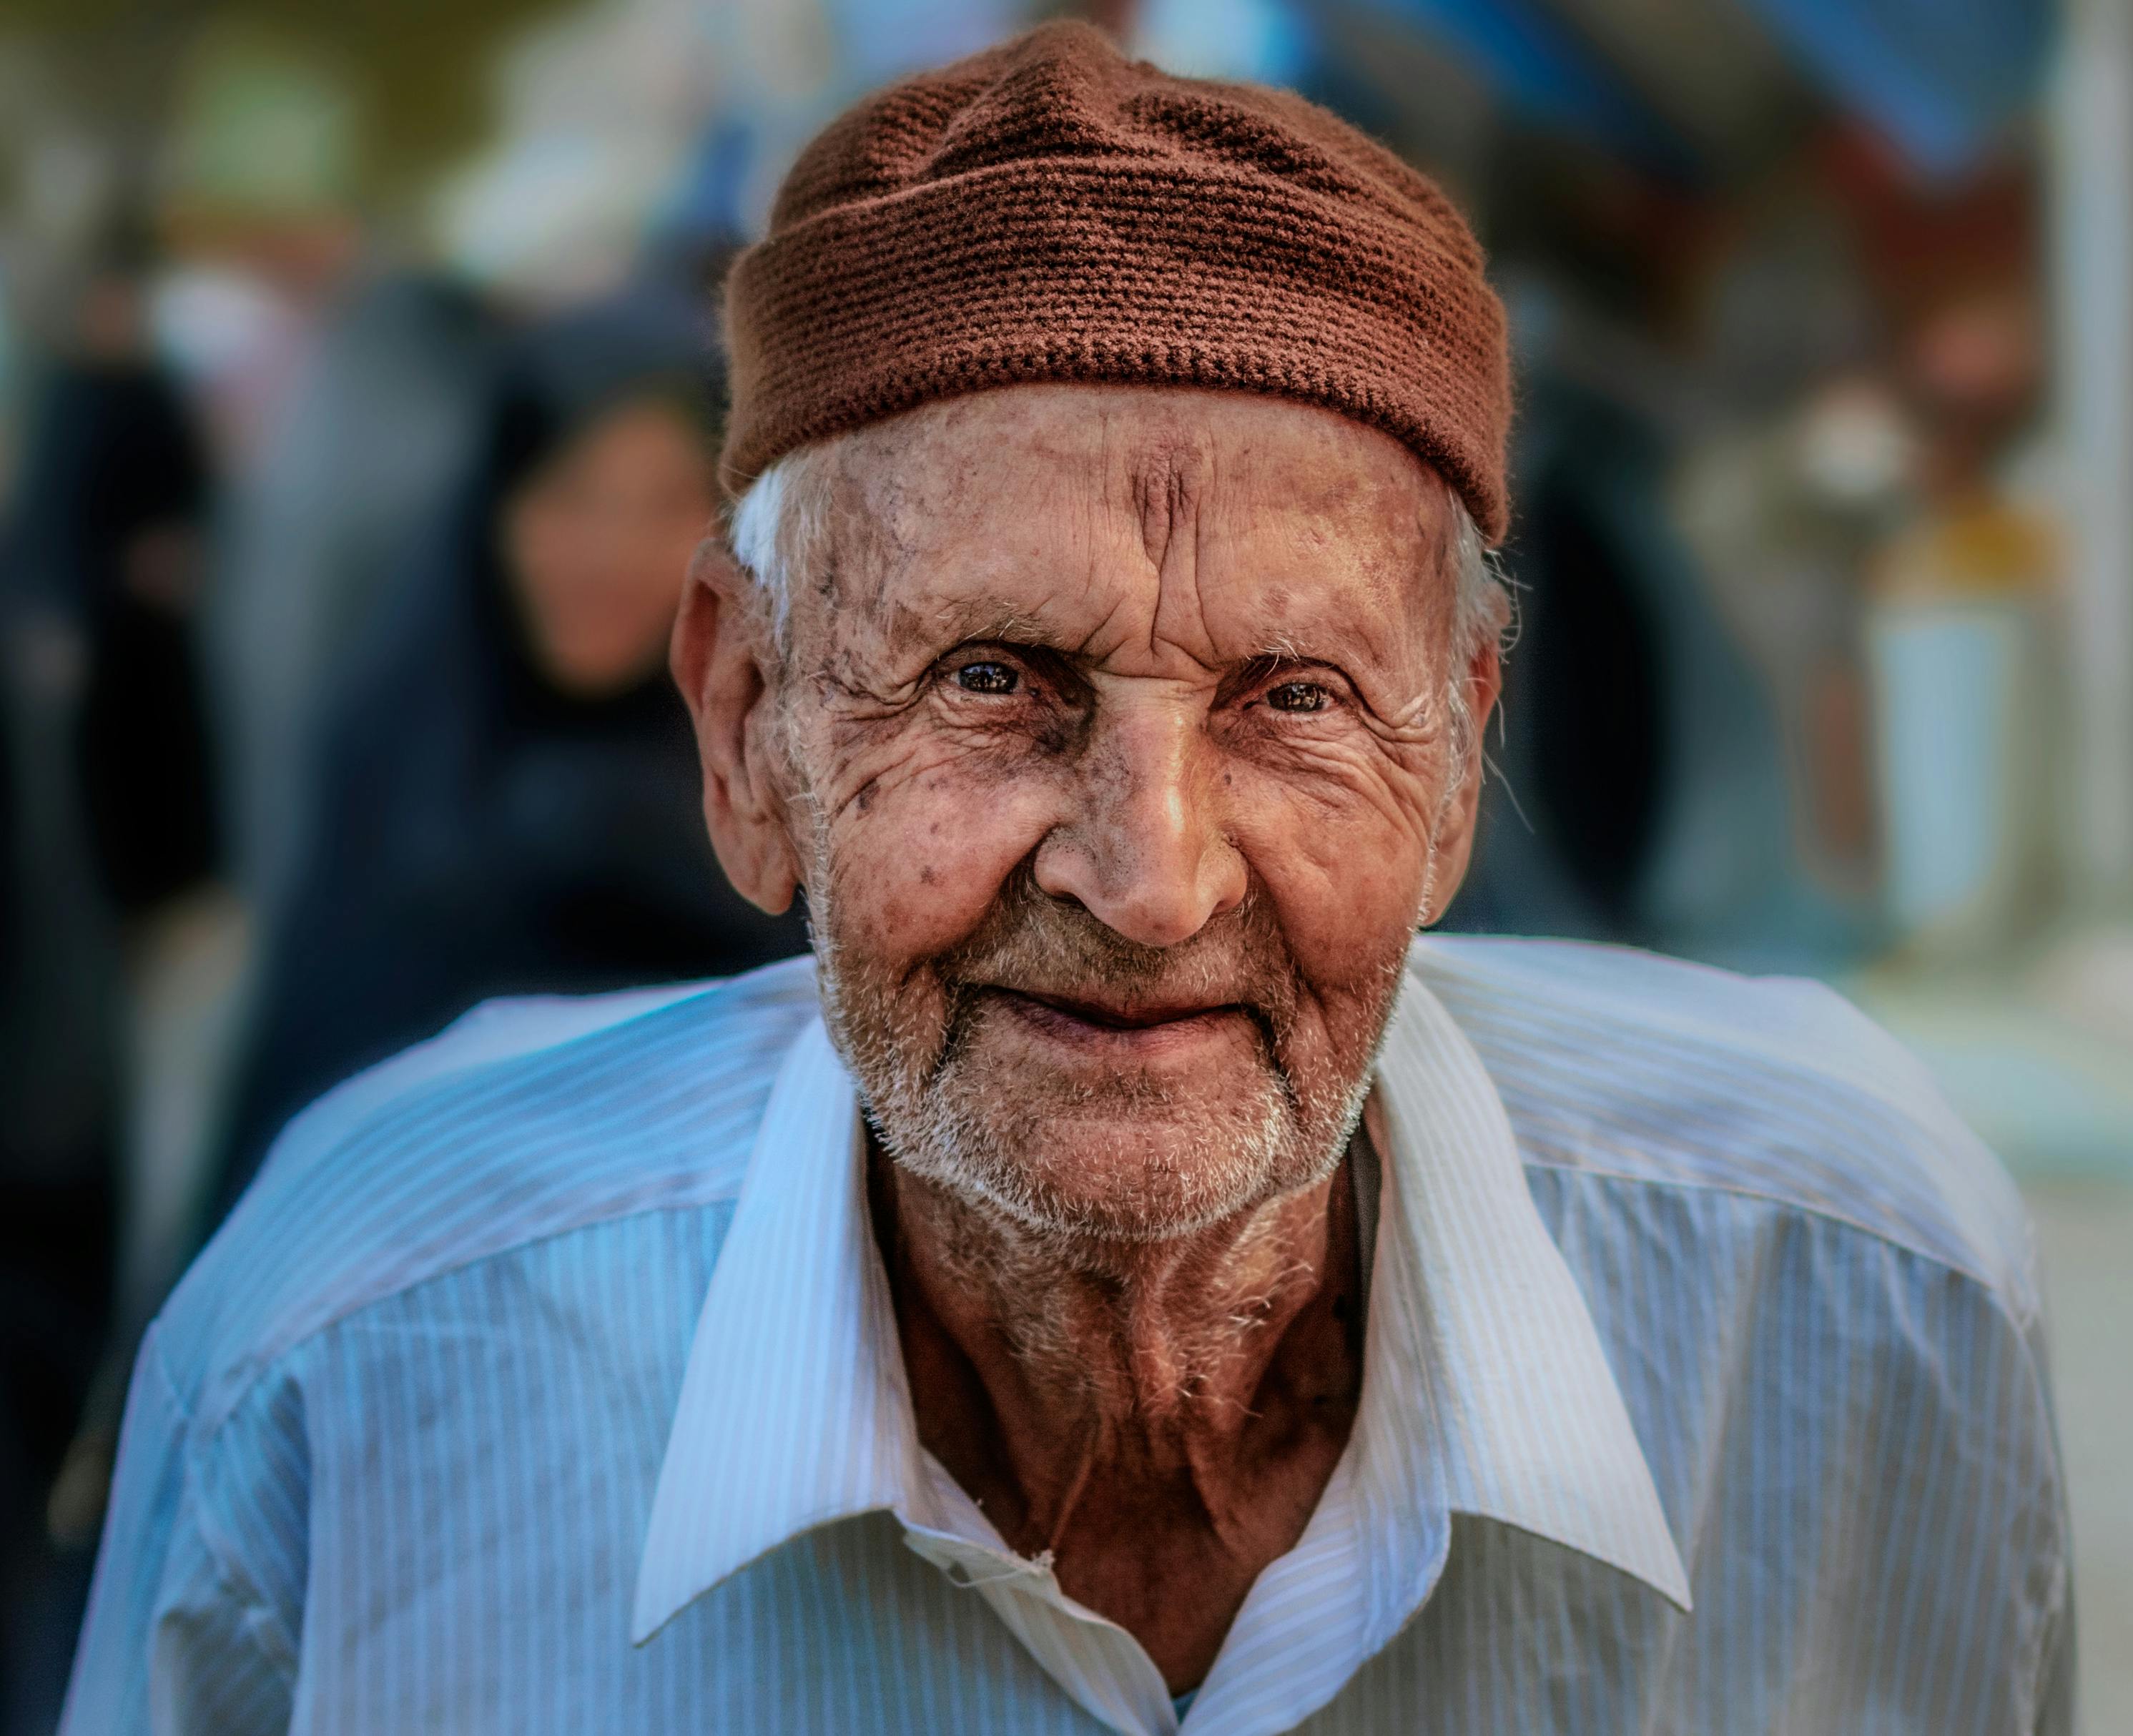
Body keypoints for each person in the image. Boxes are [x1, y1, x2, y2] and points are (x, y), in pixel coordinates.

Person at [66, 26, 2072, 1734]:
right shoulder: (345, 1374)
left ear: (1457, 753)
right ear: (746, 724)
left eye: (1289, 695)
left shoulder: (1846, 1303)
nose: (1148, 873)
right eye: (991, 681)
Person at [210, 294, 807, 1210]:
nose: (610, 552)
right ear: (493, 508)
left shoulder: (784, 789)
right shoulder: (402, 747)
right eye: (570, 495)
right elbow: (298, 1088)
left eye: (664, 503)